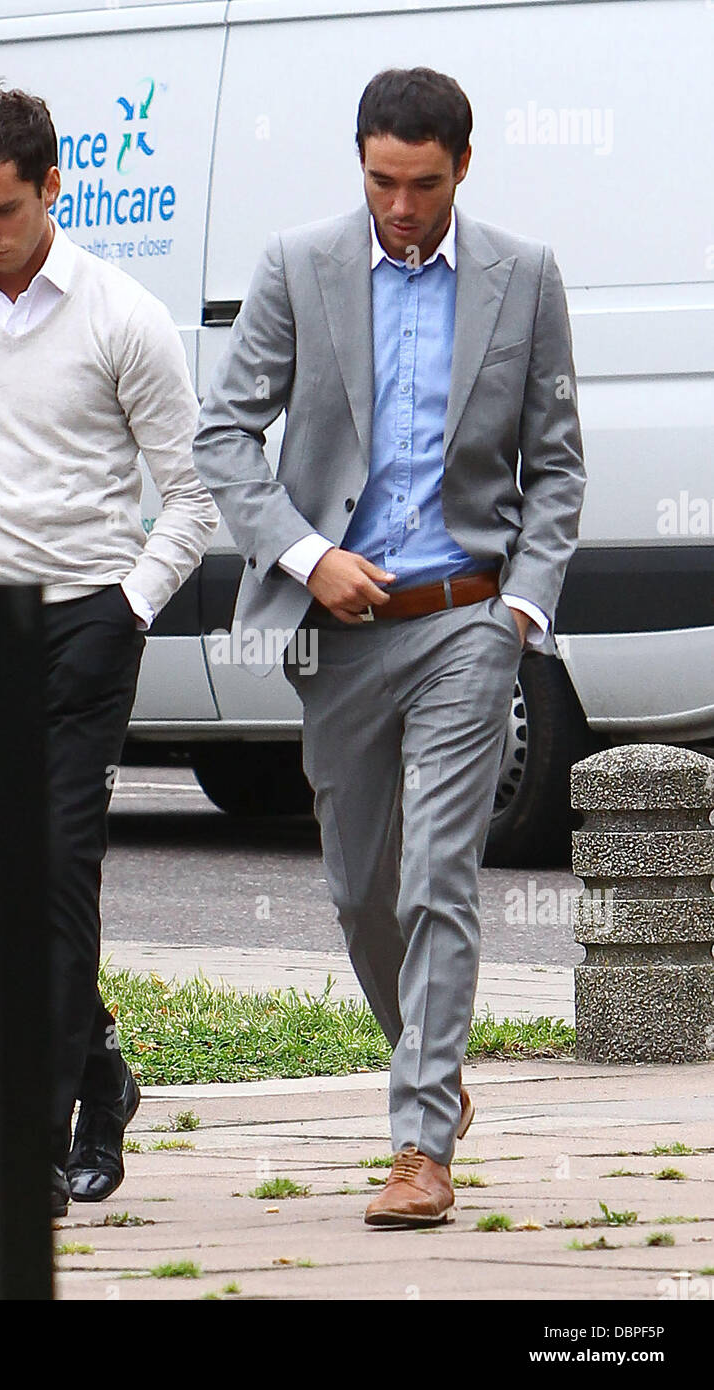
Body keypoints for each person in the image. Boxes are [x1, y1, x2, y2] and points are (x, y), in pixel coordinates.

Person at [193, 67, 585, 1228]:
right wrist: (308, 554)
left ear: (460, 167)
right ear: (357, 163)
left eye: (419, 185)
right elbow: (224, 433)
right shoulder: (299, 265)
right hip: (341, 626)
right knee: (360, 884)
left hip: (468, 615)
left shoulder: (523, 276)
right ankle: (432, 1067)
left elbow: (556, 461)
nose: (398, 208)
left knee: (436, 877)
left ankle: (418, 1143)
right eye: (378, 182)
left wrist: (521, 607)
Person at [0, 82, 219, 1218]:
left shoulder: (125, 317)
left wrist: (126, 607)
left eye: (6, 211)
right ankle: (101, 1069)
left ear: (54, 185)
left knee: (59, 880)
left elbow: (190, 498)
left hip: (85, 622)